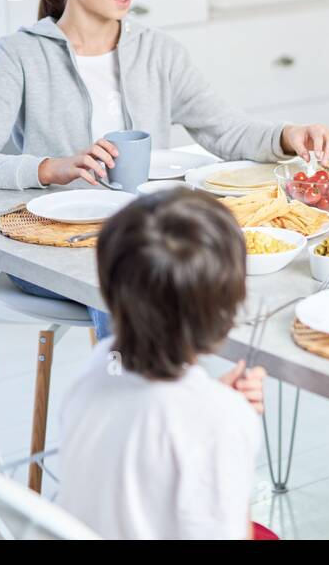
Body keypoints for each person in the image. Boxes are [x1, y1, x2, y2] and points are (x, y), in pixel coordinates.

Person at [0, 0, 329, 337]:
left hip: (149, 237)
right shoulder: (20, 55)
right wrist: (49, 168)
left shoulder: (158, 52)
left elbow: (224, 128)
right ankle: (138, 398)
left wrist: (289, 135)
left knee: (243, 272)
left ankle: (211, 394)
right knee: (136, 284)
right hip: (57, 246)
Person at [57, 189, 268, 539]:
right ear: (226, 310)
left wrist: (215, 402)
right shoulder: (222, 422)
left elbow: (154, 422)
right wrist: (227, 414)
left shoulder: (95, 367)